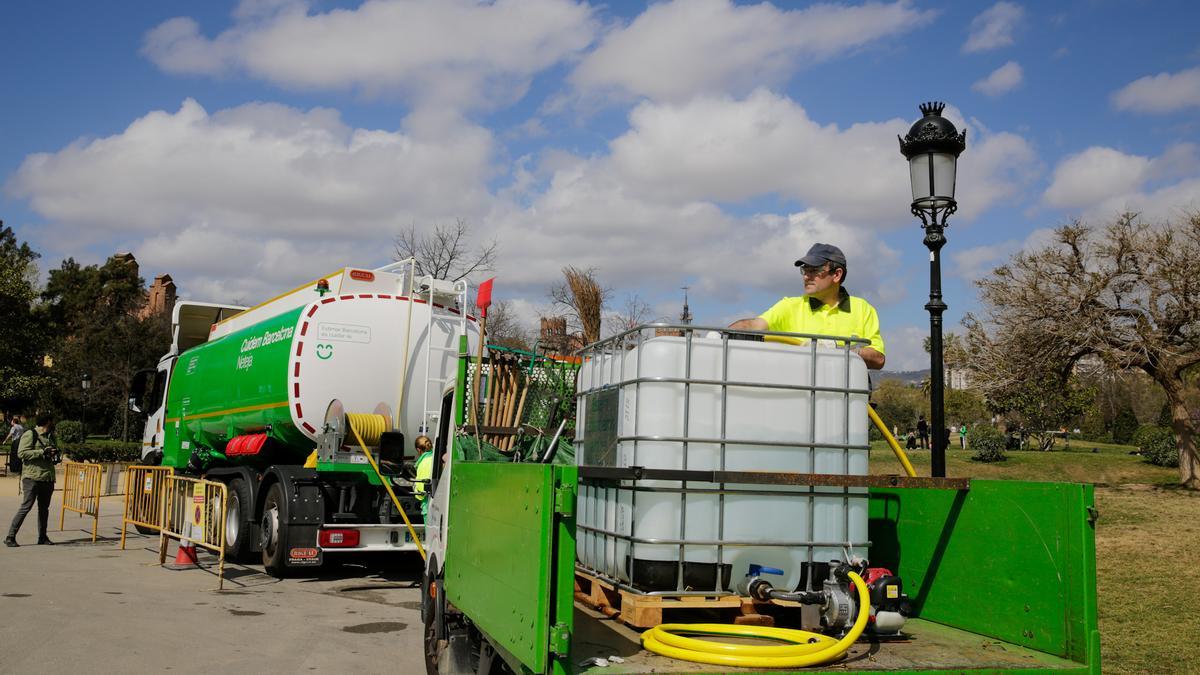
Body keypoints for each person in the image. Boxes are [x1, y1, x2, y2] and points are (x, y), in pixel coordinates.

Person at [728, 243, 886, 369]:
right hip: (798, 399)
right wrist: (719, 337)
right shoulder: (789, 306)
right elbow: (753, 325)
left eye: (814, 270)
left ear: (837, 274)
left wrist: (839, 351)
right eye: (804, 270)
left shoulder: (863, 309)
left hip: (845, 402)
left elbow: (878, 359)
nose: (806, 276)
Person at [5, 413, 60, 547]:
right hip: (32, 477)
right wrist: (41, 452)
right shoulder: (31, 434)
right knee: (26, 507)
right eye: (51, 421)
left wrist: (54, 452)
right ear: (47, 421)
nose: (53, 424)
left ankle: (42, 536)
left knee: (44, 509)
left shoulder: (51, 436)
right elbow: (22, 453)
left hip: (47, 477)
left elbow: (51, 450)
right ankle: (10, 536)